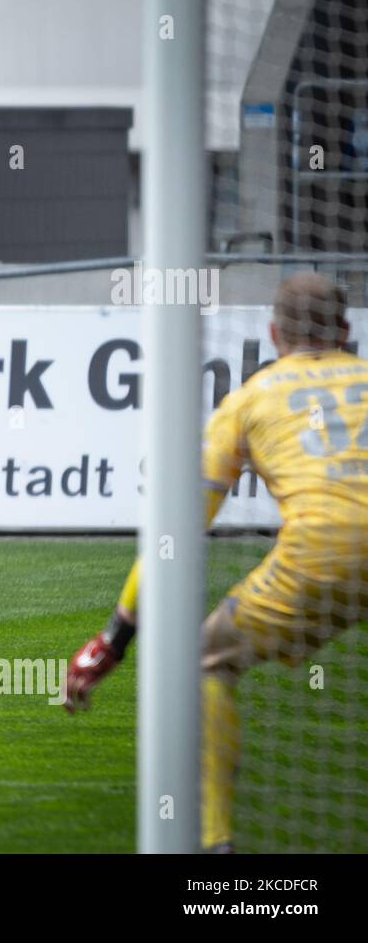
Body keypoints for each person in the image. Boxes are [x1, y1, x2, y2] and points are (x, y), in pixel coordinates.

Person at [66, 273, 368, 851]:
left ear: (275, 331)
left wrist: (115, 639)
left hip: (319, 557)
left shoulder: (252, 398)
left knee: (203, 662)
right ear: (347, 332)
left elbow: (175, 533)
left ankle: (213, 846)